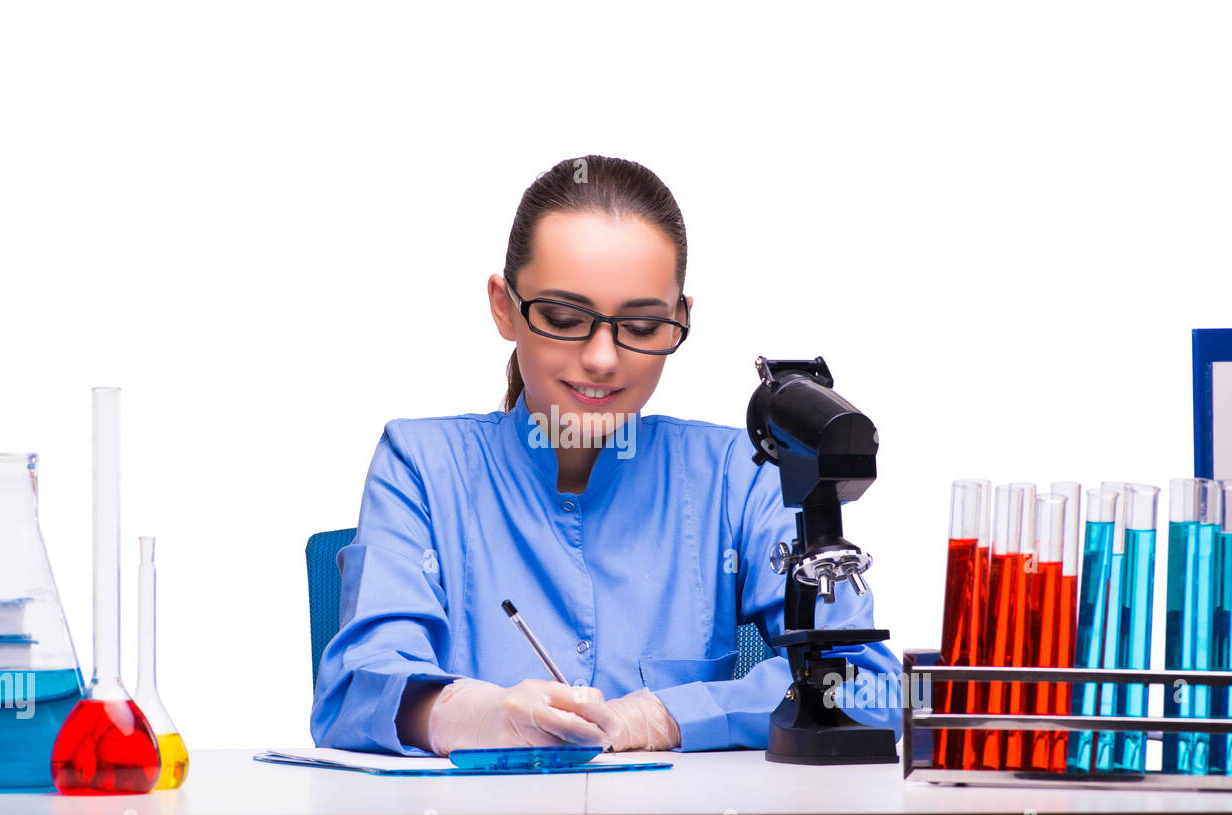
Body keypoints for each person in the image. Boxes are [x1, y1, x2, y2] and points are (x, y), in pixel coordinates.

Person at [310, 154, 902, 756]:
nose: (601, 358)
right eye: (565, 317)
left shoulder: (738, 476)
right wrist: (466, 715)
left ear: (680, 320)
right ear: (503, 306)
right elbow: (356, 690)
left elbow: (866, 685)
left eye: (643, 327)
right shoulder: (422, 465)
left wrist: (666, 715)